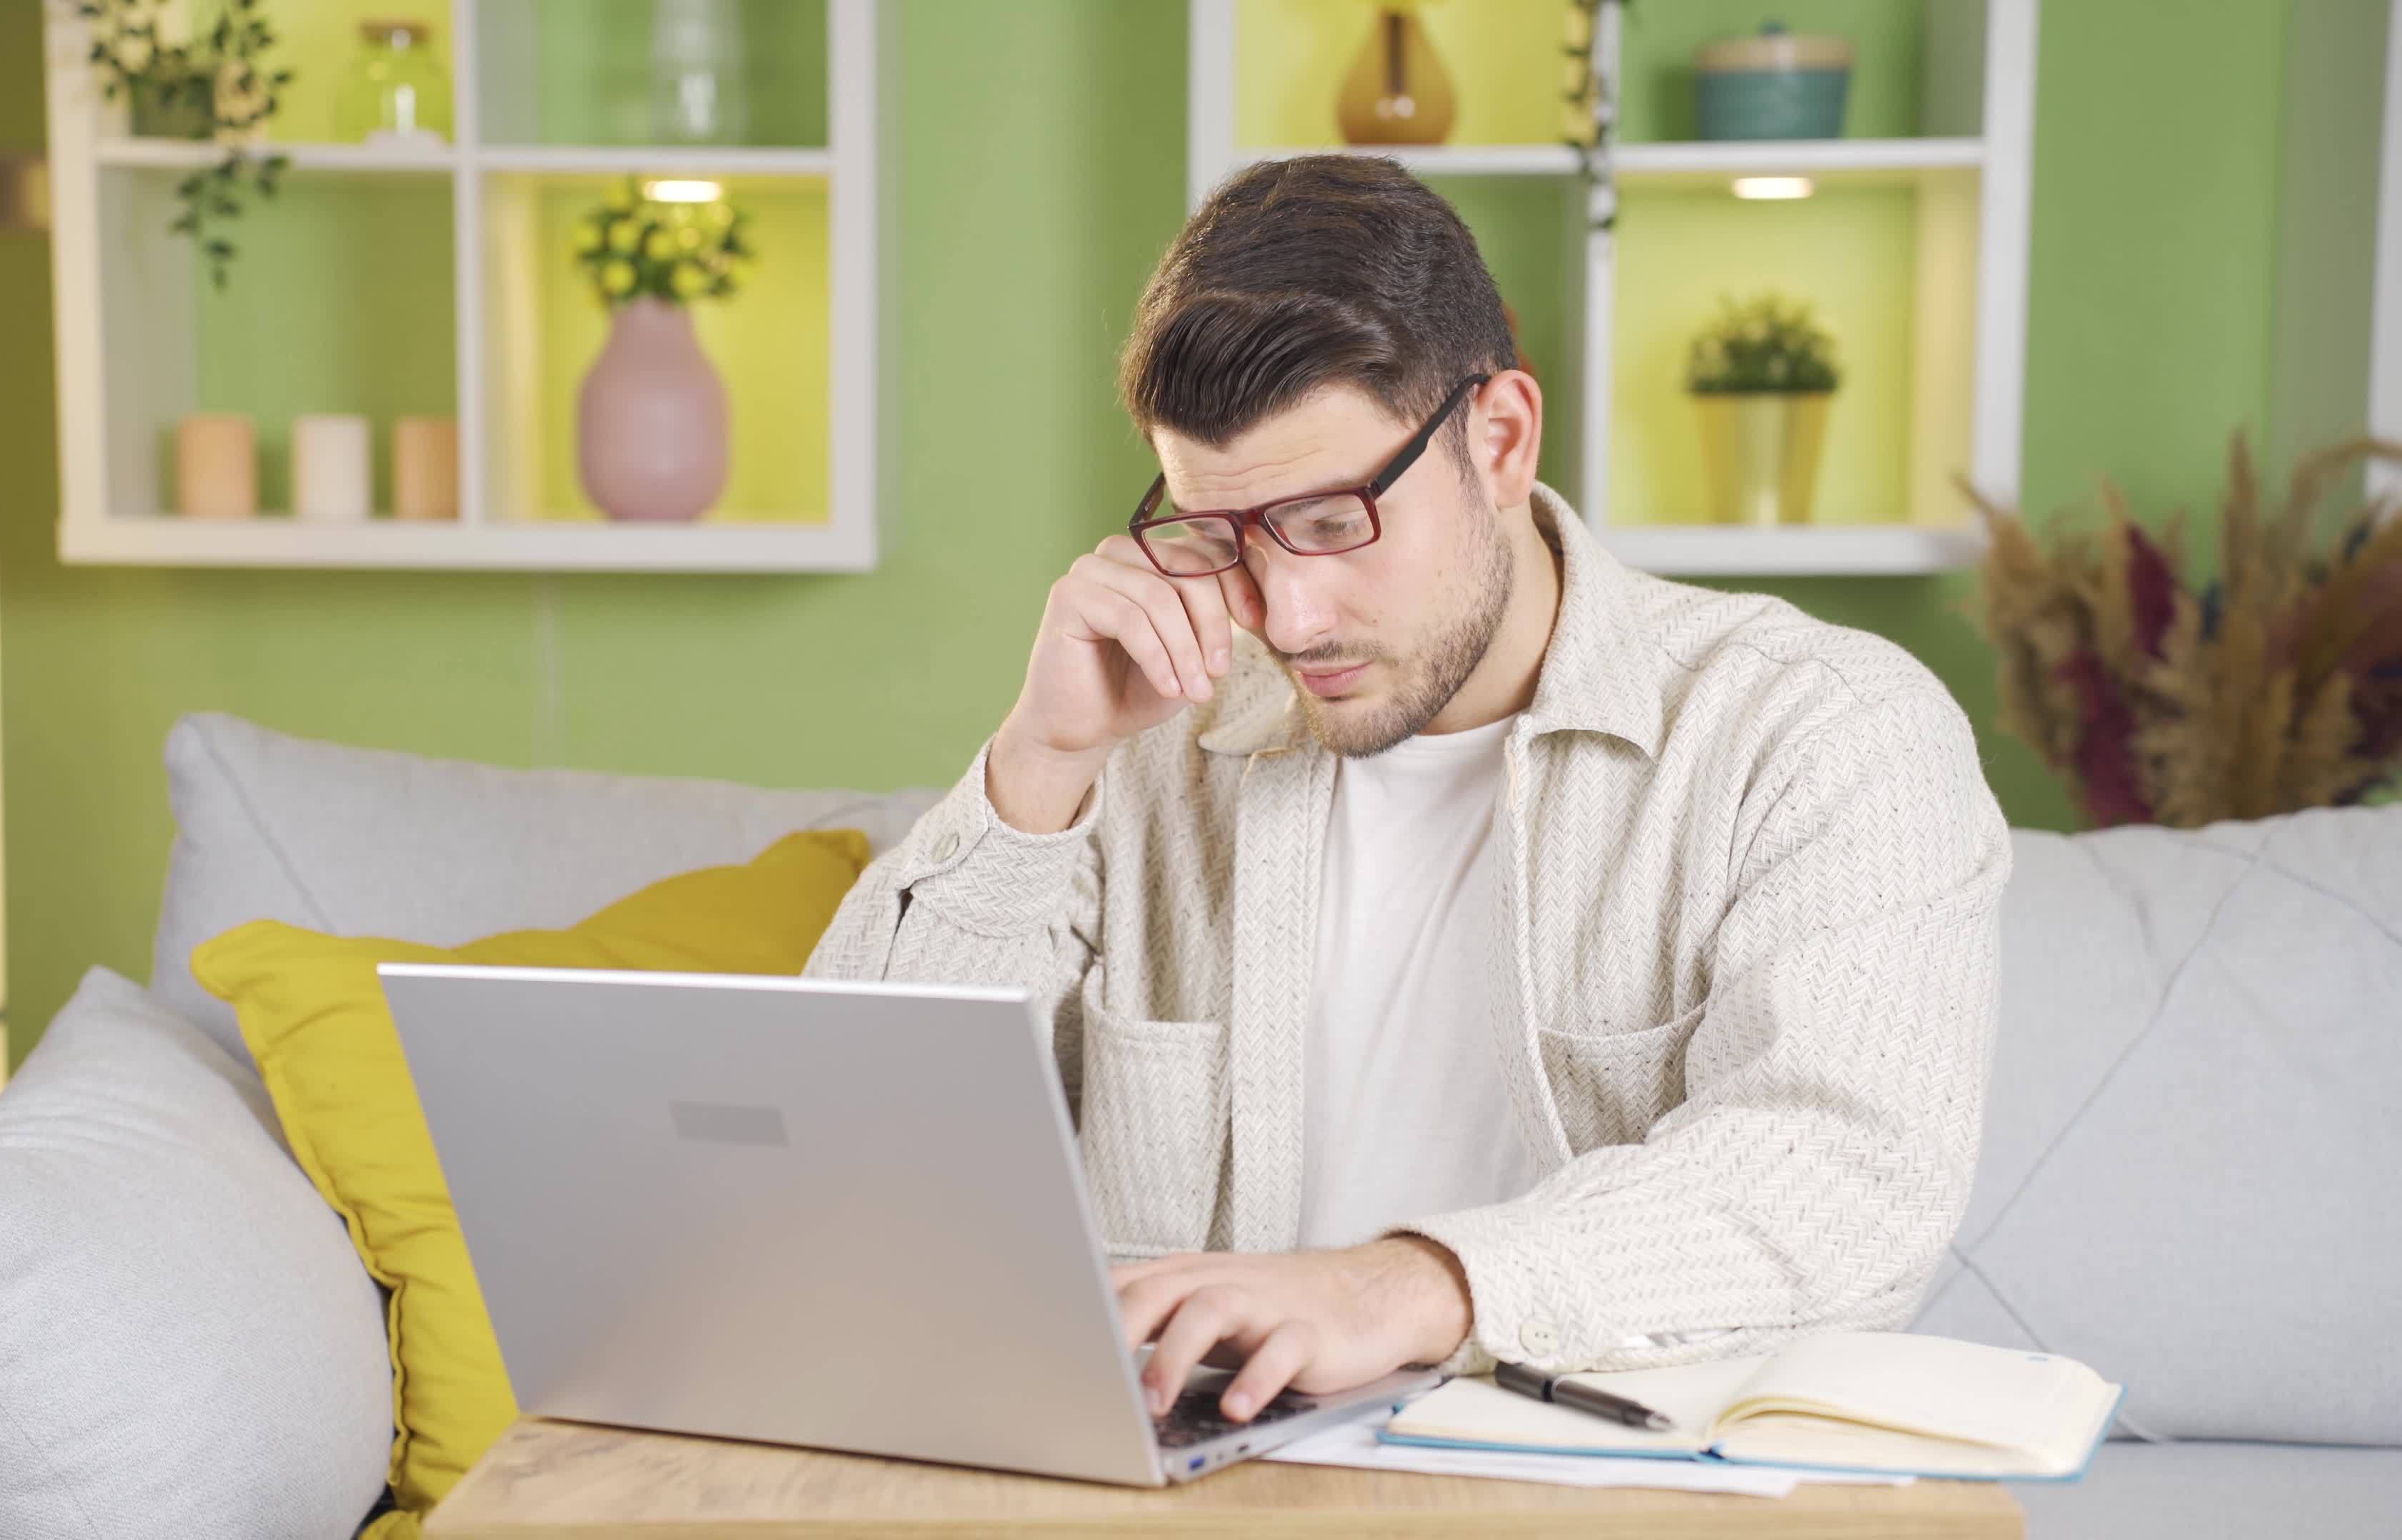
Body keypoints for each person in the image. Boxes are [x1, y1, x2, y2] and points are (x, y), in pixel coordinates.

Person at [805, 155, 2009, 1429]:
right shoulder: (1149, 737)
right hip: (1199, 1496)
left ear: (1498, 440)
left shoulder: (1818, 732)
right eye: (1224, 538)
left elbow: (1849, 1178)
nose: (1285, 613)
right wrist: (1040, 766)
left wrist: (1415, 1284)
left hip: (1606, 1501)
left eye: (1330, 523)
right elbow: (841, 1151)